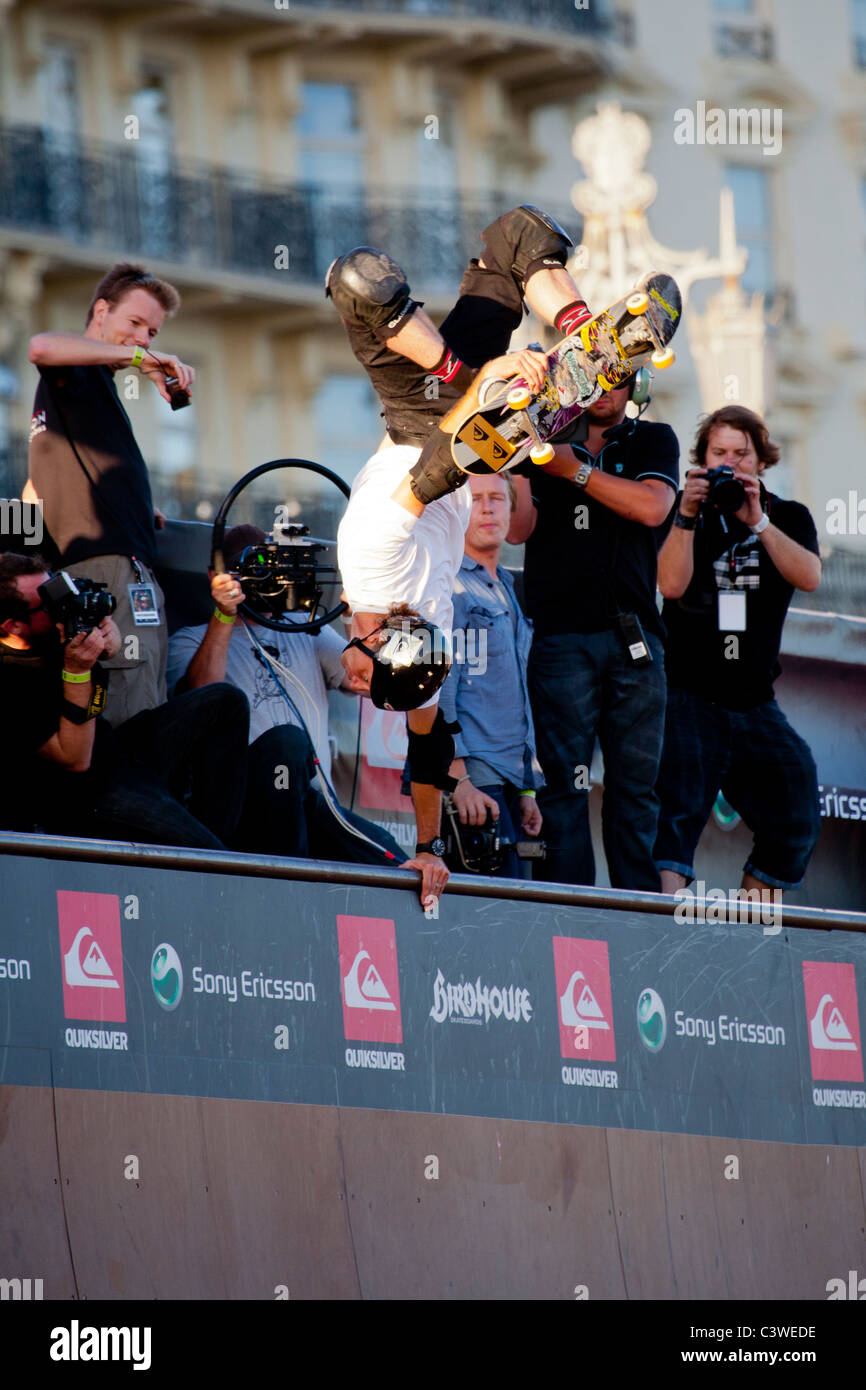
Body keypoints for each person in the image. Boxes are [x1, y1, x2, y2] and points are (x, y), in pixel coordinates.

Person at [330, 205, 593, 906]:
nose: (352, 685)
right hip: (445, 425)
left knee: (383, 276)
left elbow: (425, 755)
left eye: (360, 685)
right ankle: (567, 341)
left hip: (440, 425)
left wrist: (424, 850)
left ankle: (549, 364)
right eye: (362, 682)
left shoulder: (393, 602)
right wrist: (427, 850)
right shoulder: (400, 610)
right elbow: (426, 752)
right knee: (372, 276)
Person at [507, 376, 679, 890]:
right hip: (559, 637)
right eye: (596, 376)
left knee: (636, 790)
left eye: (619, 379)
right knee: (561, 788)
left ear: (637, 386)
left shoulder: (653, 438)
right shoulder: (544, 442)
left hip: (635, 640)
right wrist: (517, 457)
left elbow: (651, 507)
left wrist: (574, 470)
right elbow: (518, 529)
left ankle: (639, 918)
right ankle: (569, 911)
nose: (607, 389)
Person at [653, 405, 822, 900]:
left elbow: (810, 577)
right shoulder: (683, 511)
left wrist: (759, 521)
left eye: (741, 455)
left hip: (754, 700)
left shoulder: (787, 516)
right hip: (686, 691)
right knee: (676, 816)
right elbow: (670, 584)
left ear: (761, 460)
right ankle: (664, 932)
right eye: (719, 454)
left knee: (795, 807)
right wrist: (686, 515)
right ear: (703, 461)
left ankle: (748, 929)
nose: (731, 464)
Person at [166, 526, 405, 866]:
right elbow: (202, 694)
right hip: (243, 808)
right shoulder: (190, 640)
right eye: (250, 564)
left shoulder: (307, 629)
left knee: (394, 859)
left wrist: (361, 612)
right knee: (286, 743)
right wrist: (224, 613)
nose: (263, 572)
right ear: (214, 575)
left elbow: (365, 678)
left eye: (270, 562)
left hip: (313, 805)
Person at [28, 262, 195, 727]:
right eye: (135, 323)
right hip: (108, 571)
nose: (144, 339)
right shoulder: (77, 371)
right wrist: (143, 362)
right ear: (101, 311)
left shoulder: (92, 384)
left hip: (121, 568)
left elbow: (35, 485)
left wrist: (138, 507)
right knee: (131, 707)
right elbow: (39, 346)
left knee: (144, 694)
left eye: (153, 331)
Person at [0, 552, 249, 848]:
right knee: (209, 855)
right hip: (86, 794)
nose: (63, 606)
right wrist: (79, 672)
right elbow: (75, 759)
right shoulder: (9, 680)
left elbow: (96, 698)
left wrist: (107, 646)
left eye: (59, 589)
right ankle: (214, 858)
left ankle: (215, 833)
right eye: (49, 602)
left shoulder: (51, 632)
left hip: (118, 752)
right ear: (12, 626)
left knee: (224, 702)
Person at [437, 472, 542, 877]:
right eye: (475, 498)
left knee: (516, 916)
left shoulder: (508, 587)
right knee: (487, 915)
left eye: (497, 498)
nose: (487, 508)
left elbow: (518, 695)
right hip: (473, 779)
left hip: (511, 780)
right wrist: (458, 778)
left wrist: (529, 787)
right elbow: (438, 691)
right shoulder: (448, 586)